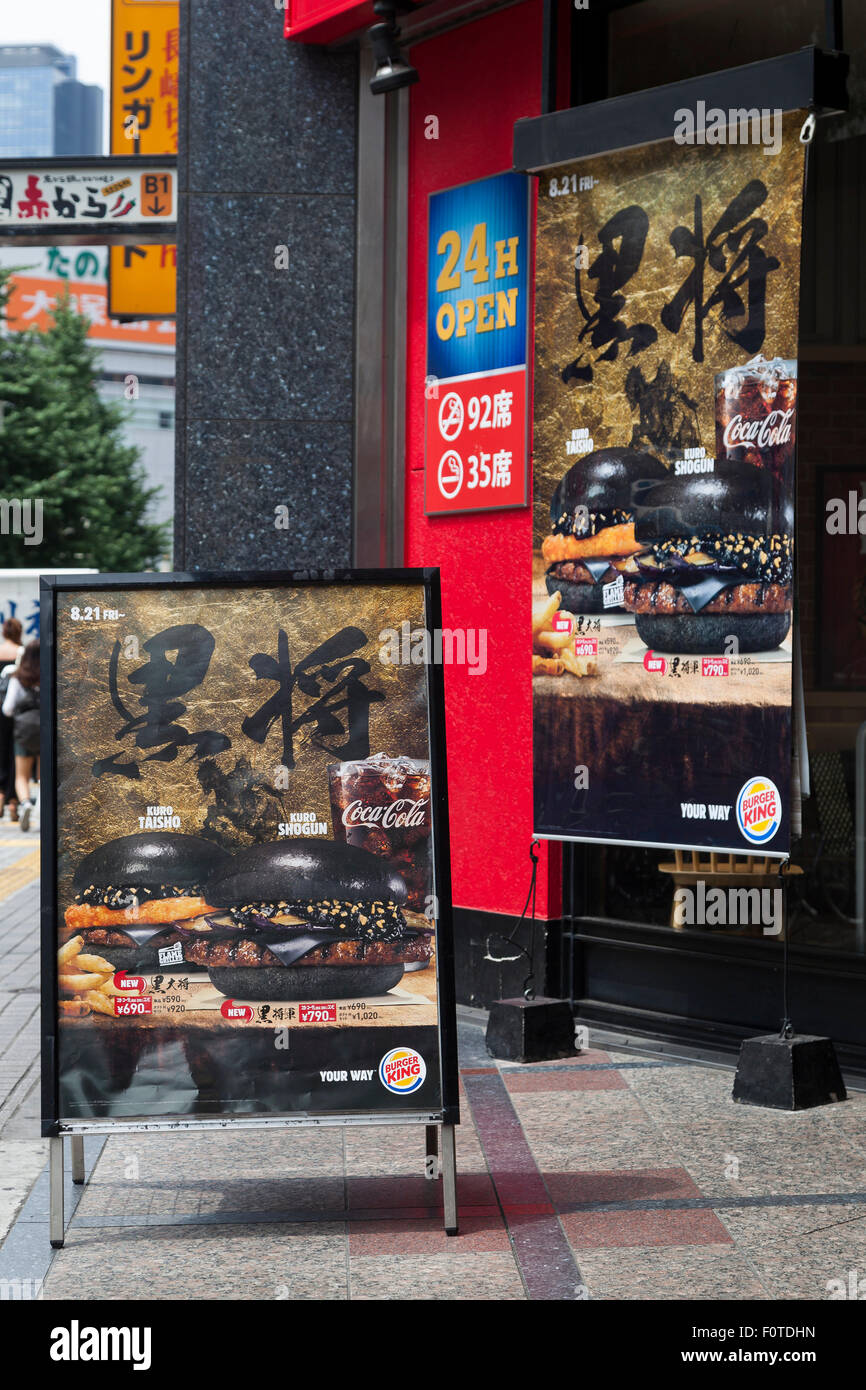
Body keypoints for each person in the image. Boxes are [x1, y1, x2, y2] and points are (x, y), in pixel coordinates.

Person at [2, 638, 39, 832]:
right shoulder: (50, 675)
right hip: (45, 731)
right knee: (43, 776)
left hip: (23, 732)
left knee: (21, 775)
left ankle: (25, 804)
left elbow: (7, 709)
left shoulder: (18, 677)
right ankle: (42, 807)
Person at [0, 618, 25, 823]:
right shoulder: (21, 653)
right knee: (14, 754)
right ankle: (13, 803)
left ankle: (0, 798)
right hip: (17, 710)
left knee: (0, 753)